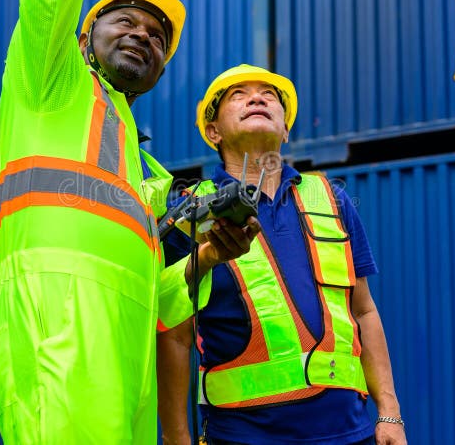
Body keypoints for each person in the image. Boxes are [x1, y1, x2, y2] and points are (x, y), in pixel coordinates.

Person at [0, 0, 259, 443]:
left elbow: (157, 298)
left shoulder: (143, 170)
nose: (142, 36)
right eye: (125, 22)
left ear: (160, 73)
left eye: (156, 36)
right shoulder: (50, 79)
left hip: (128, 359)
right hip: (58, 329)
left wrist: (208, 258)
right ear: (83, 37)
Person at [157, 64, 407, 445]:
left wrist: (389, 414)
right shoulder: (191, 214)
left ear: (286, 129)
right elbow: (174, 337)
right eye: (238, 95)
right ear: (213, 131)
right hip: (241, 435)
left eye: (269, 95)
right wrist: (177, 439)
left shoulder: (332, 198)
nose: (257, 98)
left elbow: (364, 311)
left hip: (350, 434)